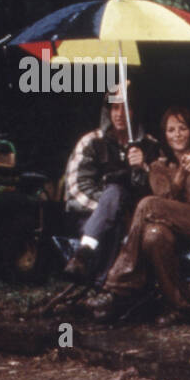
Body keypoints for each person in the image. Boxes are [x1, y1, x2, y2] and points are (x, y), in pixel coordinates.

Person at [89, 105, 190, 325]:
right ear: (164, 135)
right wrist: (181, 175)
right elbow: (166, 204)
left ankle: (117, 284)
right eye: (171, 130)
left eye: (182, 128)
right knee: (154, 235)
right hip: (175, 230)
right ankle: (180, 307)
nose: (177, 135)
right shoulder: (159, 167)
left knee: (147, 204)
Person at [62, 84, 157, 282]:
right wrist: (110, 210)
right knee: (114, 194)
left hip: (136, 221)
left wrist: (143, 168)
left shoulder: (151, 146)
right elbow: (75, 190)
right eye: (115, 107)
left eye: (125, 107)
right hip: (91, 220)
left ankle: (103, 287)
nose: (119, 114)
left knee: (121, 214)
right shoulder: (91, 142)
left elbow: (161, 192)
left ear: (135, 111)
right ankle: (100, 280)